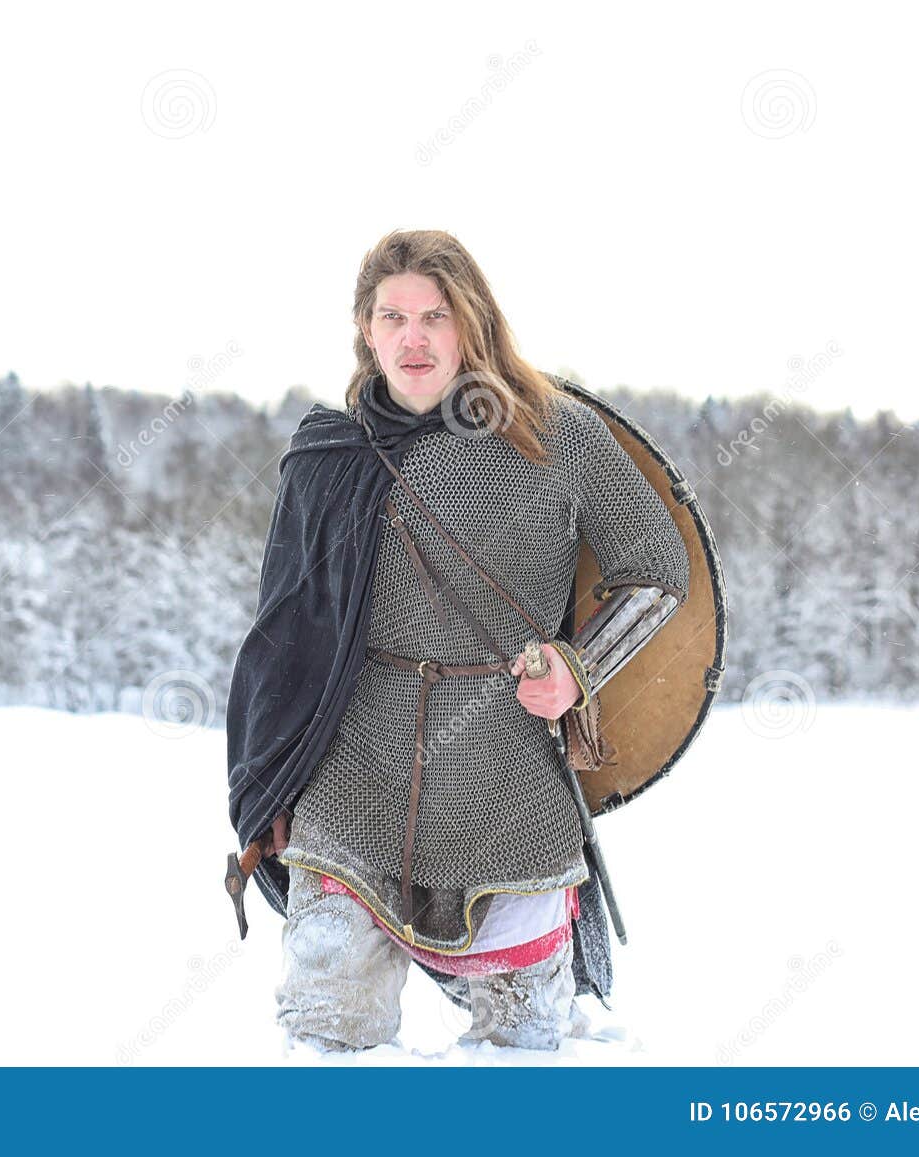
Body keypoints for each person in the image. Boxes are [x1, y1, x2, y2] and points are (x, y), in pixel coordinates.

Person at [226, 229, 690, 1052]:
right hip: (350, 777)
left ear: (471, 323)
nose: (414, 337)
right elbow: (287, 636)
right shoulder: (328, 457)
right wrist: (277, 781)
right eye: (392, 316)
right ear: (365, 329)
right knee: (327, 1041)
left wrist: (576, 671)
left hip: (506, 778)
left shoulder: (559, 433)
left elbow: (656, 569)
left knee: (522, 1054)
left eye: (435, 316)